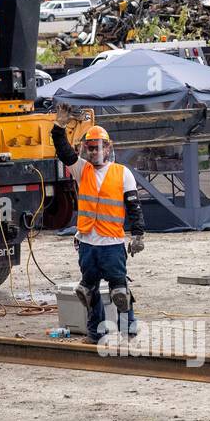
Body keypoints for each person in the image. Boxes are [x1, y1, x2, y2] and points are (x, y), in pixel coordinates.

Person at [50, 105, 146, 340]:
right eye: (89, 148)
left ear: (107, 148)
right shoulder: (82, 170)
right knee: (89, 291)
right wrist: (58, 127)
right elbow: (63, 151)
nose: (92, 152)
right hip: (87, 242)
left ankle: (128, 326)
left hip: (112, 243)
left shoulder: (122, 173)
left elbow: (134, 207)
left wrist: (138, 234)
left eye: (96, 148)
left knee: (119, 290)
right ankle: (96, 332)